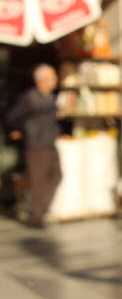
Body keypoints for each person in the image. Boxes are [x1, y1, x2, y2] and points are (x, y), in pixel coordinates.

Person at [6, 64, 62, 228]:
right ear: (41, 80)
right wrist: (20, 130)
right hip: (36, 144)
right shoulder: (30, 98)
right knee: (38, 181)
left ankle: (40, 211)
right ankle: (36, 216)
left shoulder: (51, 98)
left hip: (50, 143)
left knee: (57, 176)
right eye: (52, 77)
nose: (55, 81)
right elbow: (13, 116)